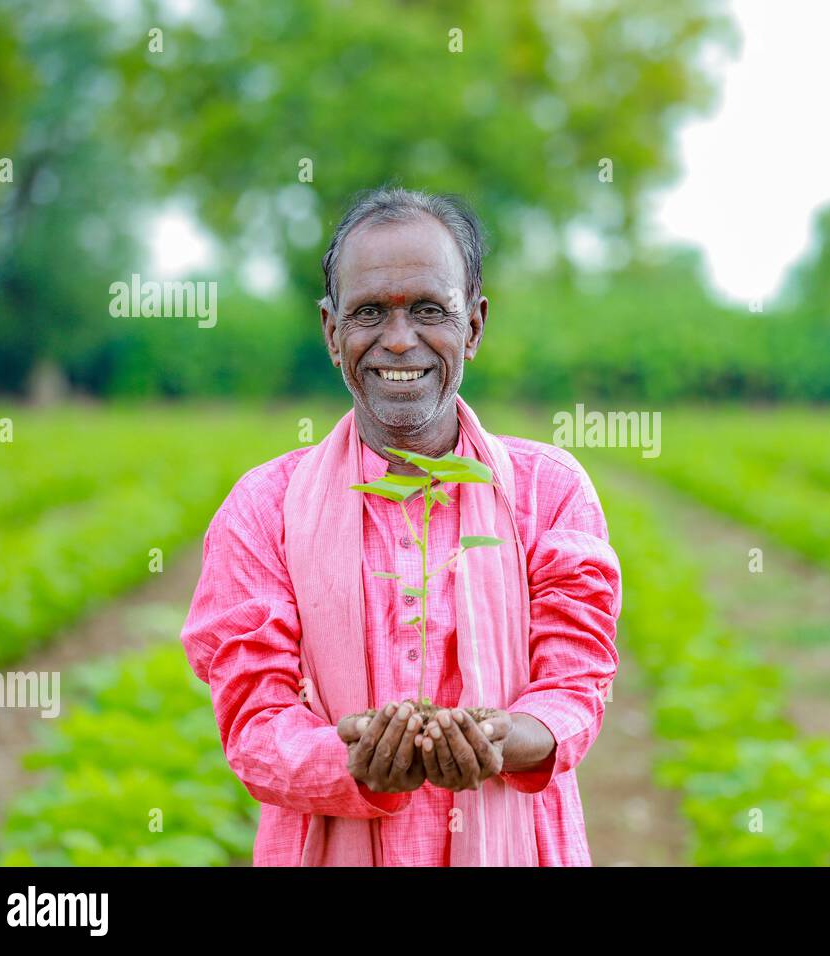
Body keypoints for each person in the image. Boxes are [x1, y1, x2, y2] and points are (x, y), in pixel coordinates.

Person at [179, 186, 622, 866]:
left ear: (473, 325)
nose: (398, 339)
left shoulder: (548, 492)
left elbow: (576, 685)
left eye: (427, 310)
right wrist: (349, 756)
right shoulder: (264, 508)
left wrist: (504, 735)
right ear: (332, 333)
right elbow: (254, 725)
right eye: (368, 313)